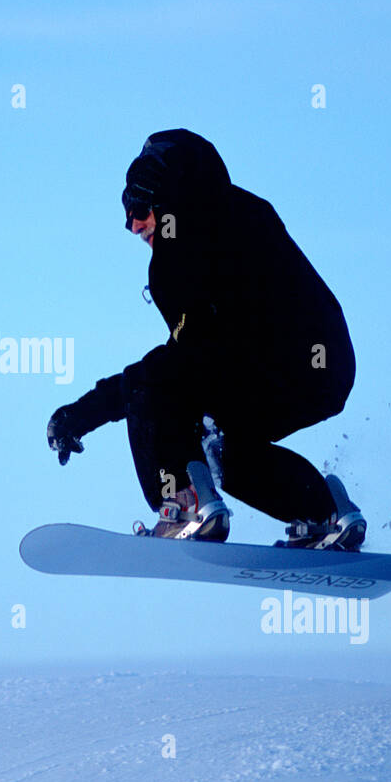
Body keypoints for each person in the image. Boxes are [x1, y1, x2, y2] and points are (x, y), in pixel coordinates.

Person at [46, 129, 365, 550]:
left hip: (274, 358)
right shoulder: (245, 210)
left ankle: (182, 502)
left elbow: (183, 357)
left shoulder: (179, 250)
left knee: (153, 386)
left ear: (166, 197)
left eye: (138, 208)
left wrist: (86, 411)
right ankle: (324, 511)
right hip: (328, 367)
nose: (132, 224)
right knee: (220, 448)